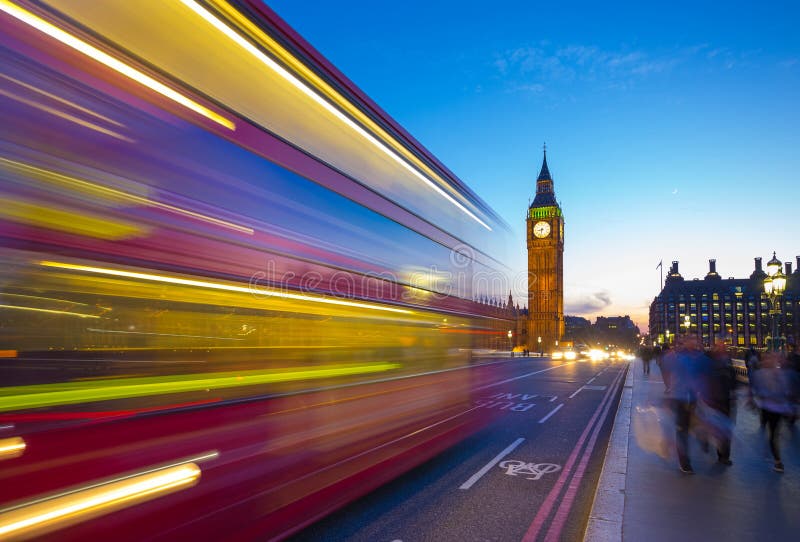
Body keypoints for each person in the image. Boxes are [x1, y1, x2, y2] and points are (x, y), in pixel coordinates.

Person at [662, 335, 712, 474]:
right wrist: (670, 388)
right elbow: (665, 367)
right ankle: (685, 463)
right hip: (680, 398)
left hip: (695, 398)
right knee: (682, 430)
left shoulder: (700, 357)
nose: (692, 342)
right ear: (684, 342)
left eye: (694, 340)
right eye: (689, 340)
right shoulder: (677, 357)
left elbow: (708, 372)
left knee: (699, 425)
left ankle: (703, 441)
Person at [750, 352, 795, 473]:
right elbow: (756, 389)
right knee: (772, 433)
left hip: (777, 409)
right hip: (768, 407)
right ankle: (777, 460)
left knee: (774, 433)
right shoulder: (759, 374)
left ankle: (776, 459)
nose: (772, 361)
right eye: (769, 359)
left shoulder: (780, 374)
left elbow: (786, 390)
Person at [703, 341, 737, 465]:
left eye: (724, 346)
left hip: (727, 398)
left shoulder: (728, 360)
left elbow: (733, 378)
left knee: (726, 428)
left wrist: (734, 392)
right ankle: (719, 452)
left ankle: (725, 456)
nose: (723, 348)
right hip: (715, 400)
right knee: (718, 426)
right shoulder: (710, 362)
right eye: (720, 346)